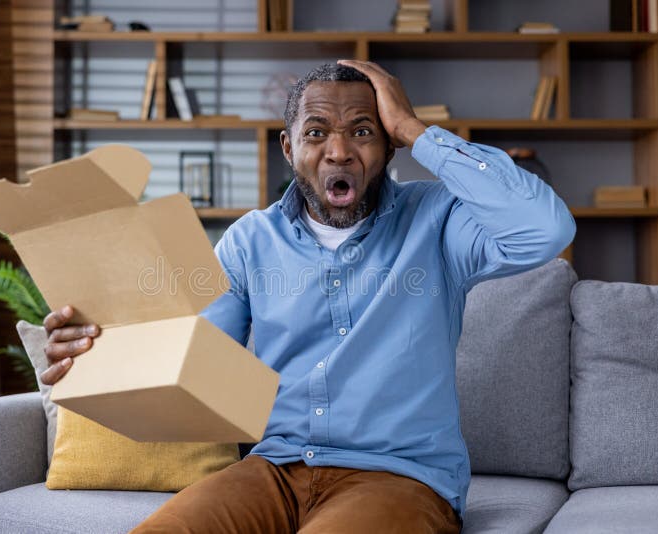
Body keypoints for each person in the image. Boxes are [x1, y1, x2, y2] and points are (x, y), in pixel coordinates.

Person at [40, 60, 576, 533]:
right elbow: (194, 358)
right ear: (288, 146)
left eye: (362, 131)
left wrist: (417, 130)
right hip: (270, 471)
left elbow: (545, 230)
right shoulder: (250, 239)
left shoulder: (437, 222)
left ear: (389, 145)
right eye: (316, 132)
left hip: (398, 478)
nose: (338, 151)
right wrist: (95, 352)